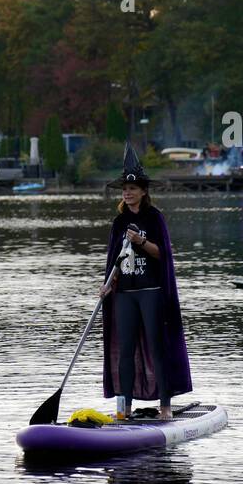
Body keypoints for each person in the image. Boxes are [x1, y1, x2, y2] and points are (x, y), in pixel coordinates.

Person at [100, 146, 193, 420]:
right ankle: (125, 409)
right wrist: (107, 285)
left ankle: (166, 406)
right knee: (125, 350)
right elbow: (114, 261)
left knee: (157, 346)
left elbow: (162, 253)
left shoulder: (154, 218)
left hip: (151, 291)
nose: (127, 193)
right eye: (124, 189)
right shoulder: (119, 222)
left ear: (143, 191)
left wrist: (141, 241)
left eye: (132, 188)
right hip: (125, 294)